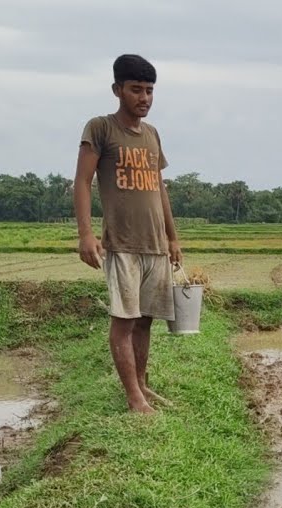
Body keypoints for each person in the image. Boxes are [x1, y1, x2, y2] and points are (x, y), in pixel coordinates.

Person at [73, 54, 182, 414]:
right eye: (136, 90)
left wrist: (173, 237)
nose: (144, 98)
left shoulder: (152, 134)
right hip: (121, 243)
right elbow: (82, 183)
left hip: (155, 245)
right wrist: (86, 235)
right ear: (117, 89)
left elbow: (160, 188)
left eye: (150, 91)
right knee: (125, 319)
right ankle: (133, 398)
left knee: (145, 318)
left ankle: (143, 385)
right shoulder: (100, 129)